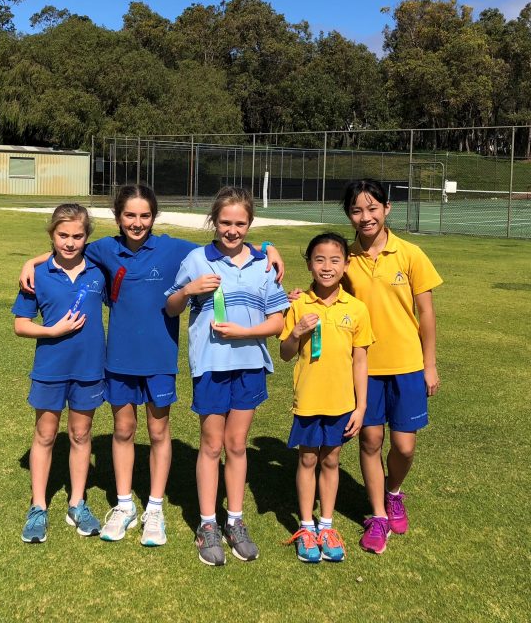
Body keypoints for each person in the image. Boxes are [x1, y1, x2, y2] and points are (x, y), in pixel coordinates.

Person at [18, 184, 285, 547]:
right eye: (130, 215)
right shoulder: (104, 250)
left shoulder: (174, 249)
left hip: (160, 360)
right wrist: (31, 261)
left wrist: (267, 248)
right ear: (118, 218)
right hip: (118, 360)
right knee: (123, 430)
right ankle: (125, 504)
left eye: (145, 215)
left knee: (159, 433)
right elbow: (68, 247)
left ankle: (155, 507)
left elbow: (227, 245)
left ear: (154, 218)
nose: (137, 222)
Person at [166, 186, 289, 566]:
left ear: (250, 223)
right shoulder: (196, 259)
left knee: (237, 445)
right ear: (213, 221)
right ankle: (207, 524)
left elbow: (278, 320)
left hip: (250, 366)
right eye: (224, 222)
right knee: (211, 445)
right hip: (211, 365)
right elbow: (170, 308)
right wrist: (188, 289)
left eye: (240, 223)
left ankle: (234, 520)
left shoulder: (263, 264)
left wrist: (245, 332)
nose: (232, 230)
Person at [342, 179, 442, 555]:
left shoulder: (411, 254)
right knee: (370, 441)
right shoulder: (344, 257)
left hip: (407, 365)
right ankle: (378, 516)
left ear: (387, 209)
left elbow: (426, 313)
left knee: (404, 446)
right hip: (363, 367)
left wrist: (429, 364)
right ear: (349, 215)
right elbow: (327, 296)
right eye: (356, 210)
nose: (365, 217)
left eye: (371, 208)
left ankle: (394, 491)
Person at [13, 203, 106, 544]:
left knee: (81, 435)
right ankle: (38, 506)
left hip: (90, 368)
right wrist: (52, 332)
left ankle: (77, 503)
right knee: (46, 435)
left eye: (77, 236)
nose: (70, 242)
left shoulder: (99, 270)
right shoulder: (36, 275)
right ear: (52, 235)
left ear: (87, 237)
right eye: (62, 235)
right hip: (50, 369)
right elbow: (20, 325)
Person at [279, 232, 371, 563]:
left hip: (342, 403)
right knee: (307, 459)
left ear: (346, 265)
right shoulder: (298, 303)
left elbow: (360, 360)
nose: (327, 267)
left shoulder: (357, 309)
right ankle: (306, 527)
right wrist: (296, 332)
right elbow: (286, 353)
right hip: (308, 400)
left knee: (331, 460)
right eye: (319, 260)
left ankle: (326, 526)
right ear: (309, 264)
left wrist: (361, 406)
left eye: (335, 260)